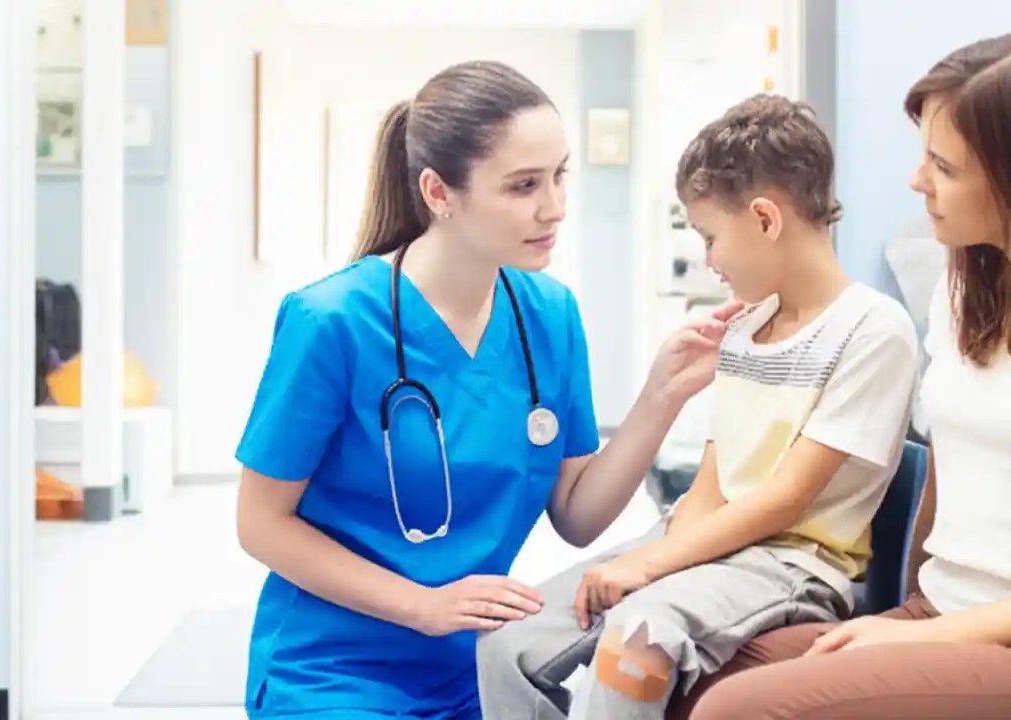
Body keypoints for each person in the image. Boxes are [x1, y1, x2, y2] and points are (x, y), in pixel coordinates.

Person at [670, 30, 1011, 720]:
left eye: (943, 167)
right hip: (939, 620)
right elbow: (942, 489)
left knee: (736, 711)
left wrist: (921, 639)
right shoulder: (964, 294)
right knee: (675, 668)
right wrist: (901, 620)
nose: (918, 181)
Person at [233, 60, 738, 719]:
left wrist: (662, 396)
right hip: (335, 672)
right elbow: (259, 524)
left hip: (480, 664)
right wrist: (424, 605)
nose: (554, 206)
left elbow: (577, 515)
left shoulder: (548, 315)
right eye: (524, 185)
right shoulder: (332, 322)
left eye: (560, 175)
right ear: (439, 193)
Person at [476, 93, 920, 719]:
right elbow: (716, 479)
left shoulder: (874, 331)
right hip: (711, 541)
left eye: (711, 237)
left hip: (791, 563)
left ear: (766, 219)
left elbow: (784, 498)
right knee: (509, 641)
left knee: (637, 639)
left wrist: (655, 567)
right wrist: (653, 554)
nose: (708, 260)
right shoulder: (747, 327)